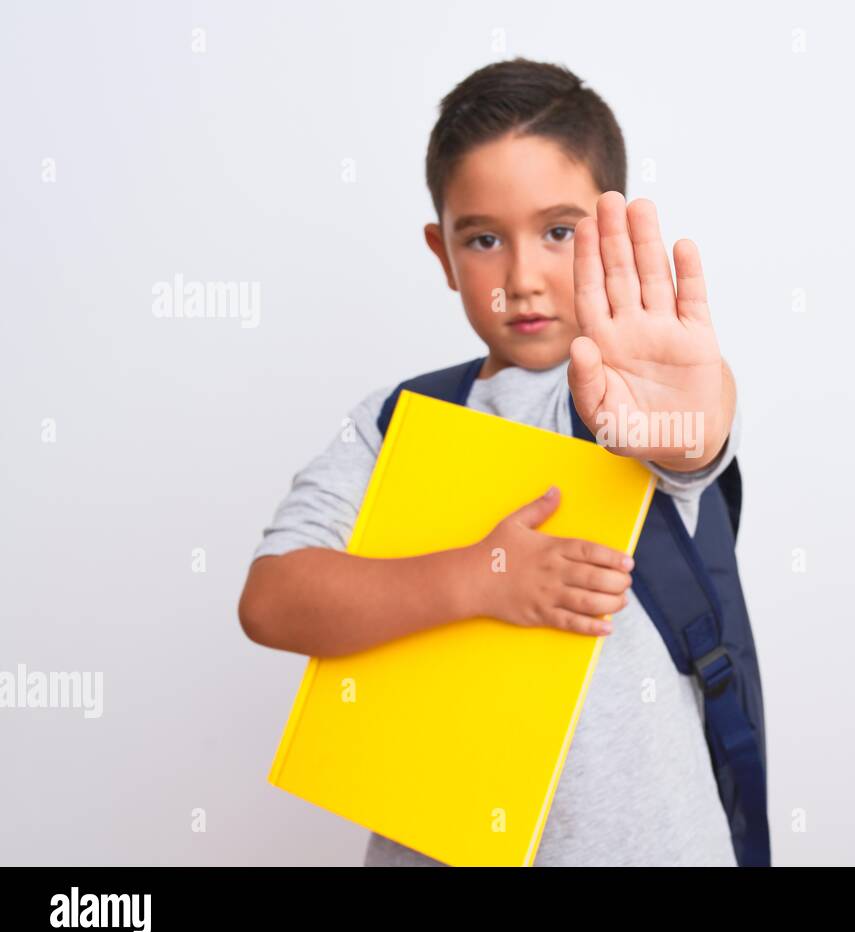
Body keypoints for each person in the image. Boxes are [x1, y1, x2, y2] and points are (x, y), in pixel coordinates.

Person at [238, 57, 755, 866]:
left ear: (610, 234)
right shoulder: (394, 423)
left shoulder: (632, 395)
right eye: (483, 238)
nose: (522, 278)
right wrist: (481, 578)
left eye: (559, 232)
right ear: (442, 253)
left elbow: (693, 439)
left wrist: (686, 418)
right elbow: (270, 599)